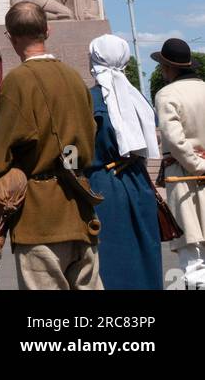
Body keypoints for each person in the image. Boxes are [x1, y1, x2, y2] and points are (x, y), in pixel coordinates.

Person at [0, 1, 102, 290]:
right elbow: (85, 137)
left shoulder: (18, 81)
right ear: (48, 30)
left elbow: (2, 149)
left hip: (39, 215)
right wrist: (67, 162)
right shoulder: (74, 78)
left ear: (10, 36)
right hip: (79, 207)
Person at [83, 34, 162, 290]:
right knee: (144, 257)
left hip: (101, 186)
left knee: (111, 263)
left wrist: (66, 167)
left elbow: (71, 148)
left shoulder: (89, 99)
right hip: (138, 183)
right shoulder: (137, 98)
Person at [152, 37, 205, 289]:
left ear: (169, 68)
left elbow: (173, 138)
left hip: (184, 176)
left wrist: (197, 165)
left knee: (192, 255)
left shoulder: (166, 94)